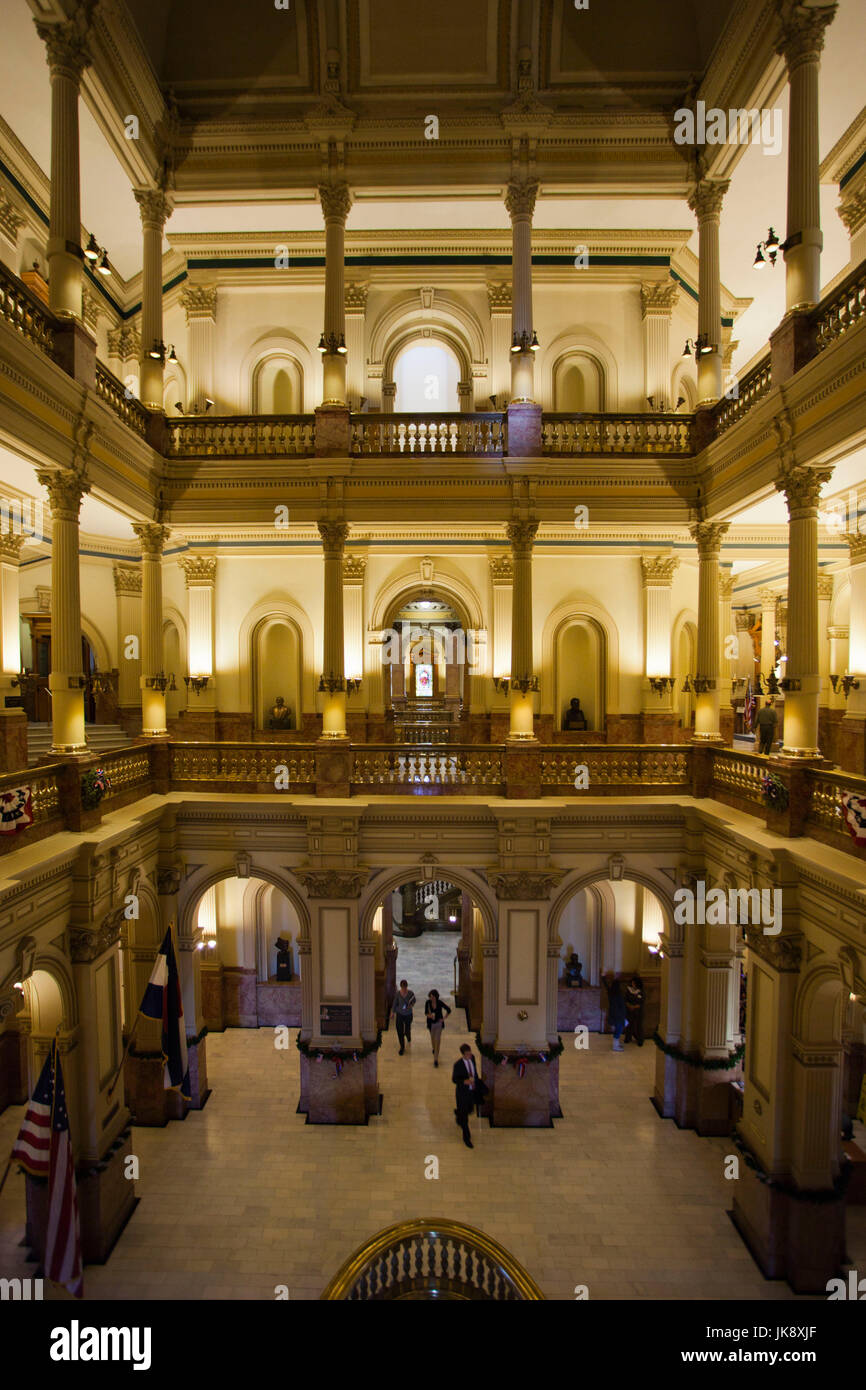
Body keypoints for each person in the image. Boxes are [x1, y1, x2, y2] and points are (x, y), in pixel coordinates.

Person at [452, 1042, 486, 1148]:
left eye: (470, 1053)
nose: (469, 1055)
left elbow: (474, 1072)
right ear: (463, 1054)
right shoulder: (458, 1065)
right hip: (462, 1093)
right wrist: (464, 1081)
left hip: (472, 1091)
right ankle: (467, 1138)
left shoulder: (473, 1058)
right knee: (465, 1118)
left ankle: (459, 1114)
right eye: (467, 1054)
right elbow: (454, 1079)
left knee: (470, 1109)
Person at [425, 988, 451, 1066]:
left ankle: (435, 1059)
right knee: (433, 1039)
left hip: (438, 1024)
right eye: (430, 997)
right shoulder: (428, 1003)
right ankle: (434, 1049)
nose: (431, 998)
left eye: (433, 997)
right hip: (431, 1024)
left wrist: (443, 1018)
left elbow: (449, 1010)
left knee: (438, 1040)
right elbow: (425, 1013)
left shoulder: (439, 1003)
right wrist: (430, 1016)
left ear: (436, 997)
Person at [603, 972, 627, 1051]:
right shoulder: (619, 995)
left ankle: (616, 1044)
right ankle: (615, 1046)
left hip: (613, 1013)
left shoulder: (611, 993)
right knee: (618, 1030)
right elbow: (622, 1007)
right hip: (619, 1015)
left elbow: (606, 985)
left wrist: (603, 977)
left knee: (617, 1030)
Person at [392, 979, 415, 1054]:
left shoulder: (410, 993)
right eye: (402, 988)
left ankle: (408, 1035)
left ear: (407, 986)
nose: (404, 989)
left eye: (405, 988)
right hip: (400, 1014)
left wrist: (411, 1005)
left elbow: (414, 1000)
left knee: (407, 1029)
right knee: (399, 1030)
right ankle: (402, 1047)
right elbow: (395, 1003)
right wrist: (392, 1012)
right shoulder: (398, 994)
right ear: (401, 987)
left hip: (408, 1014)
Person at [624, 973, 645, 1045]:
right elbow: (625, 999)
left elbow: (642, 1002)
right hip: (629, 1011)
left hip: (638, 1011)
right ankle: (628, 1038)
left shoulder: (641, 992)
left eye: (634, 983)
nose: (633, 984)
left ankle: (640, 1040)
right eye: (632, 983)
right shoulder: (628, 990)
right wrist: (629, 1006)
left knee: (639, 1026)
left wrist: (634, 1007)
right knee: (628, 1025)